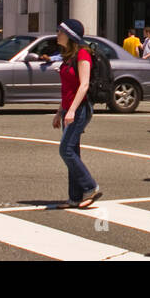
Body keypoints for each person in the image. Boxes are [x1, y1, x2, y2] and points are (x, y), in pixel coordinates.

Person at [53, 19, 101, 208]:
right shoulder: (68, 56)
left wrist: (72, 110)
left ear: (70, 35)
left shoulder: (83, 54)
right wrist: (59, 112)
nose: (57, 34)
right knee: (72, 151)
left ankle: (90, 187)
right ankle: (75, 197)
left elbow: (84, 84)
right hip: (68, 109)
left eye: (60, 31)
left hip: (80, 109)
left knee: (65, 150)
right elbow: (67, 88)